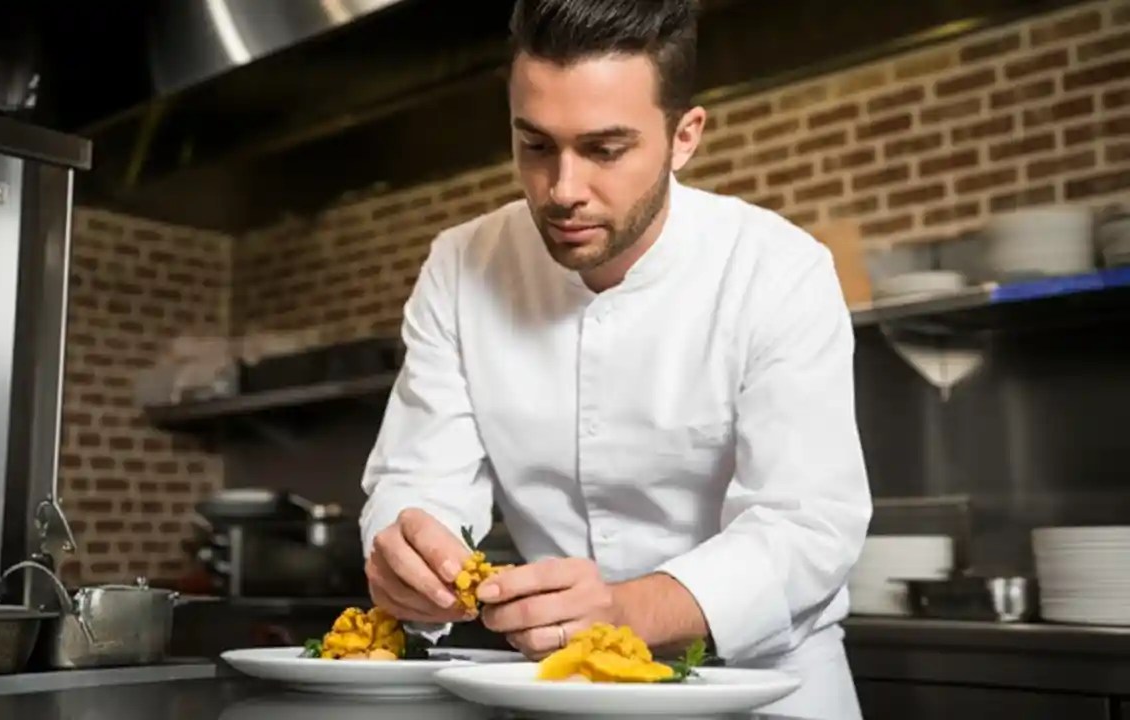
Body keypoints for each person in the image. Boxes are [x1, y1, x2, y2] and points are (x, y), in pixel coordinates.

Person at [358, 0, 872, 716]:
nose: (563, 191)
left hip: (763, 686)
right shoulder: (460, 265)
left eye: (604, 150)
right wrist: (415, 556)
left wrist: (628, 611)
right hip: (563, 689)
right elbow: (420, 479)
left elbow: (806, 526)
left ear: (684, 136)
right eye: (536, 146)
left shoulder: (779, 268)